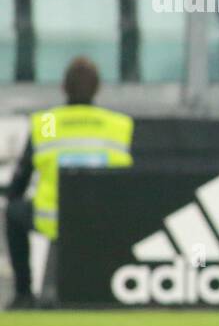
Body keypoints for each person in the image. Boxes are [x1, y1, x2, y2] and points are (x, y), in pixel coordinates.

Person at [4, 57, 133, 309]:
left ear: (64, 87)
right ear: (98, 88)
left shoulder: (48, 123)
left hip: (51, 217)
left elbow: (23, 176)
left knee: (13, 211)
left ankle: (23, 293)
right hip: (102, 217)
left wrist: (12, 194)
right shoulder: (117, 124)